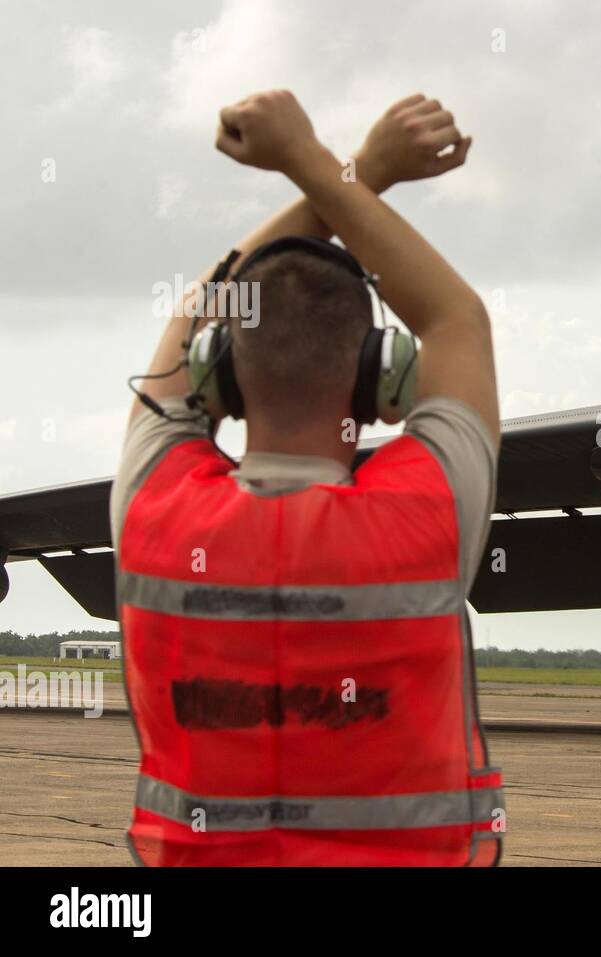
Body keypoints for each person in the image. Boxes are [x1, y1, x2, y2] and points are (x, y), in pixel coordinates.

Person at [111, 90, 502, 865]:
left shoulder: (154, 510)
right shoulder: (429, 514)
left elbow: (196, 316)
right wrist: (323, 166)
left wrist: (350, 167)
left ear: (215, 374)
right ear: (381, 381)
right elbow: (455, 317)